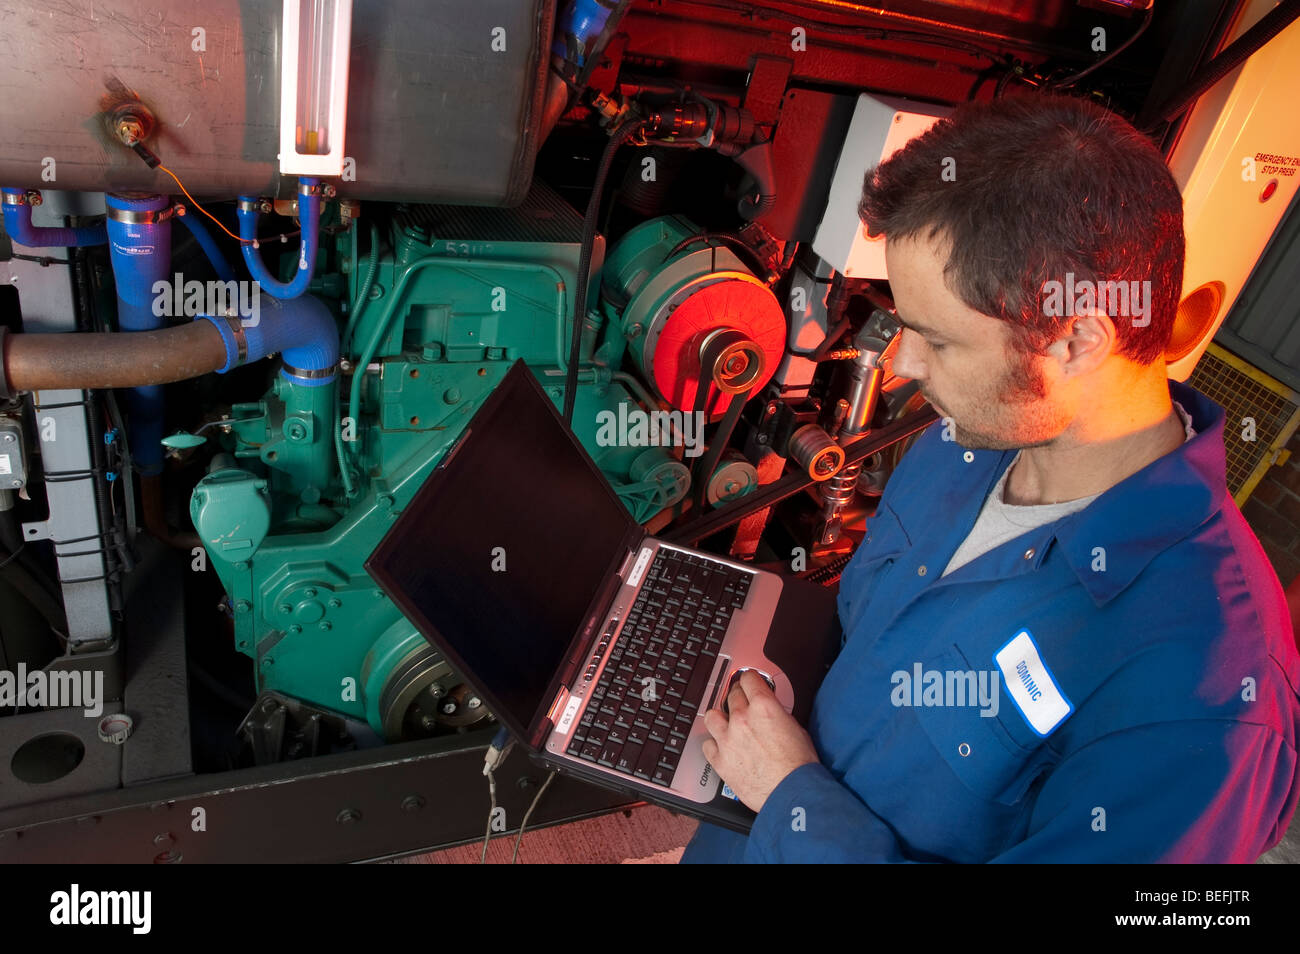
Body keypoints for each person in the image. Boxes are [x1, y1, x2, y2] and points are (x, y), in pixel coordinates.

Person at [680, 93, 1300, 863]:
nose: (902, 363)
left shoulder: (1205, 693)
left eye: (937, 340)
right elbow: (866, 632)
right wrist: (720, 642)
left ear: (1076, 341)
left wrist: (790, 795)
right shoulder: (966, 442)